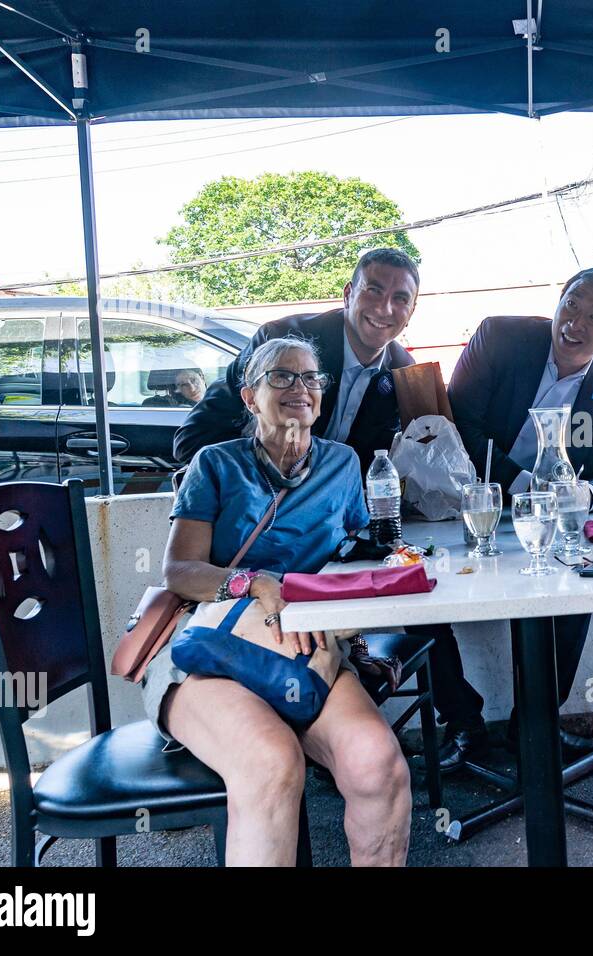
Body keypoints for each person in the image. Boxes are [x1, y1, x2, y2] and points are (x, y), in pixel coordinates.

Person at [146, 336, 411, 866]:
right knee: (271, 761)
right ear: (249, 396)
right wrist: (254, 582)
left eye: (311, 377)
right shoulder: (215, 464)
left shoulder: (342, 464)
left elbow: (354, 553)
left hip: (306, 650)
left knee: (376, 760)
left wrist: (395, 561)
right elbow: (179, 571)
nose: (300, 387)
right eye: (282, 376)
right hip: (212, 652)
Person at [415, 267, 593, 774]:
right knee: (419, 593)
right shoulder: (503, 338)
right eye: (571, 305)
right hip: (464, 499)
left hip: (548, 524)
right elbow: (459, 425)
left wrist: (582, 491)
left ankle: (533, 725)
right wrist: (525, 487)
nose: (574, 323)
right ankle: (464, 723)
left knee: (581, 584)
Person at [174, 247, 419, 474]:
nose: (385, 308)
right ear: (348, 294)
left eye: (400, 298)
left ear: (411, 312)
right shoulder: (280, 341)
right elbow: (192, 440)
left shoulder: (406, 374)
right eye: (373, 290)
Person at [142, 368, 207, 407]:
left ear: (202, 378)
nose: (192, 388)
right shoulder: (178, 409)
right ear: (177, 390)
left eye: (193, 380)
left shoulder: (216, 401)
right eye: (184, 385)